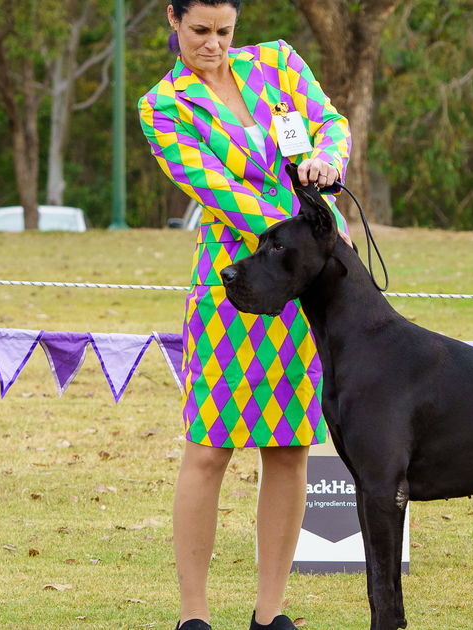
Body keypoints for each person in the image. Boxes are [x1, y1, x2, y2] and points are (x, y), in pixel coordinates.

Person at [138, 1, 351, 629]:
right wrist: (310, 239)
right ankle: (193, 616)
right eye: (199, 31)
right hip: (233, 290)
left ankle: (270, 614)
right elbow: (217, 190)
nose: (213, 45)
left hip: (306, 288)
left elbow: (329, 122)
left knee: (290, 447)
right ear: (172, 21)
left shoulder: (279, 62)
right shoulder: (164, 106)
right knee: (210, 449)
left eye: (224, 32)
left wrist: (328, 161)